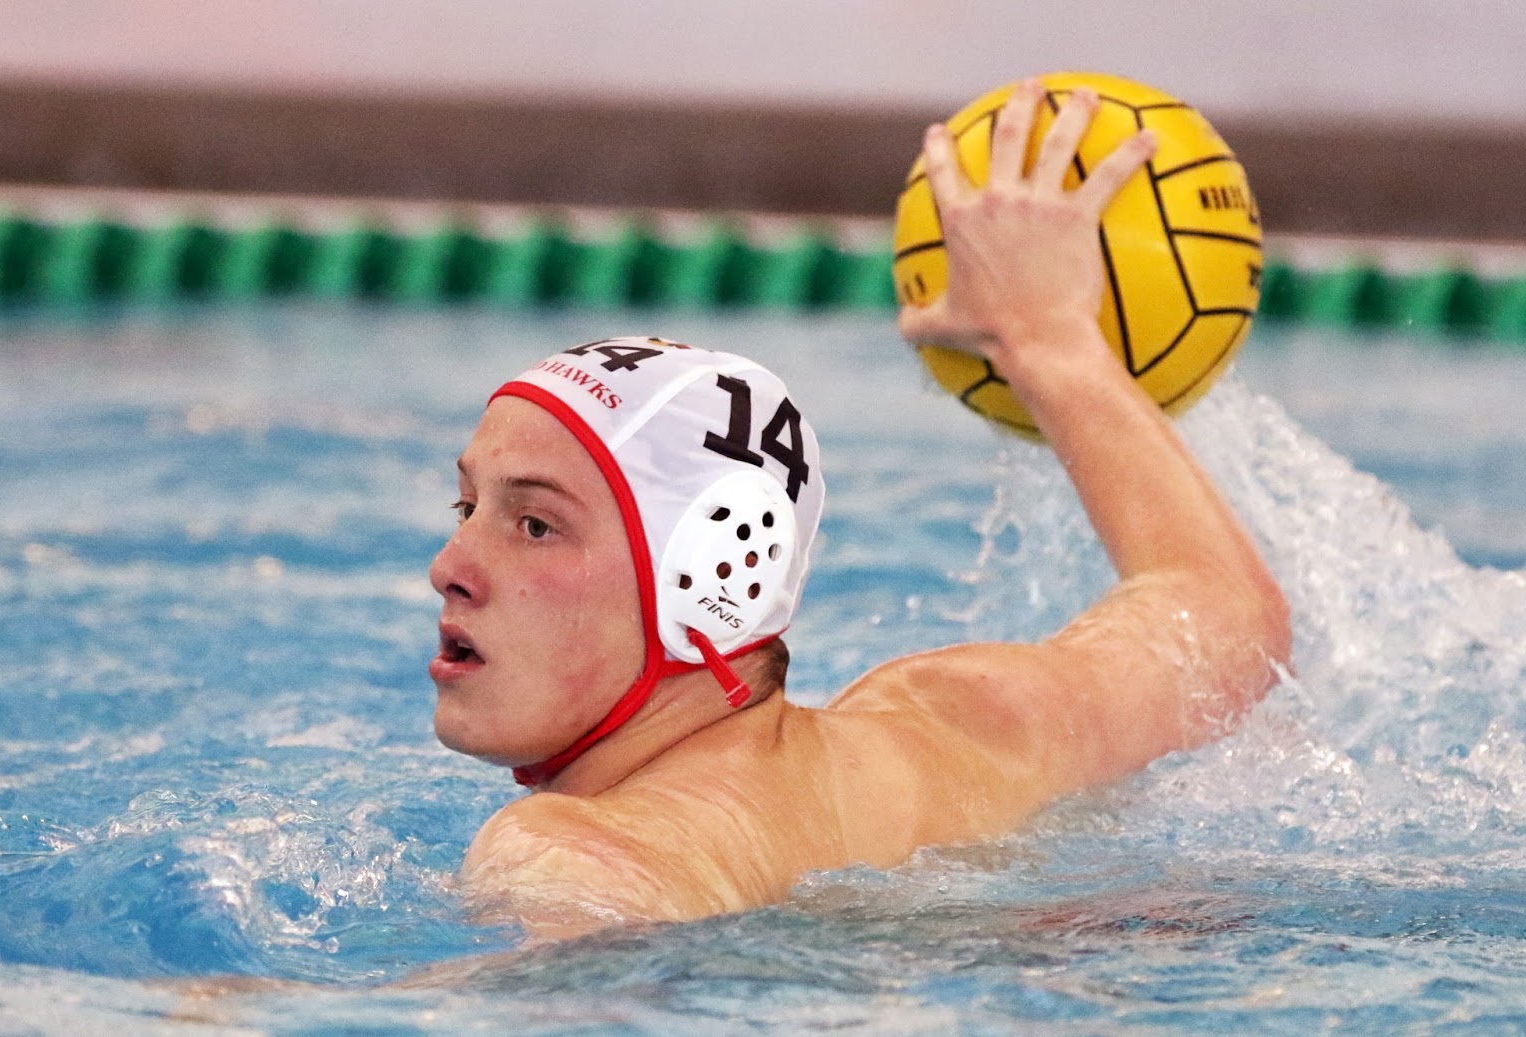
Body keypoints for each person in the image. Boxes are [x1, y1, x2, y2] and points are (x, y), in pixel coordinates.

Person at [430, 79, 1292, 940]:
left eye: (535, 524)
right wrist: (1048, 338)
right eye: (466, 505)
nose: (451, 567)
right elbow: (1223, 621)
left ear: (710, 573)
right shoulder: (953, 726)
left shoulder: (565, 856)